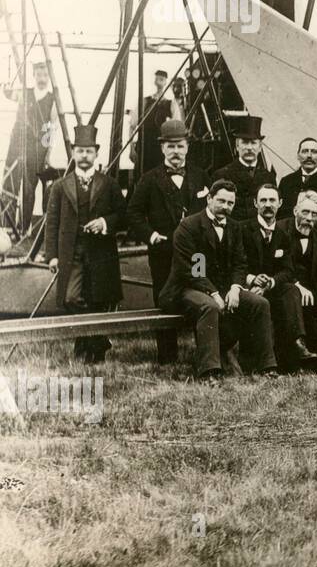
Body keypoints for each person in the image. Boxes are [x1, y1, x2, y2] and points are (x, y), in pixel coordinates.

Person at [159, 179, 278, 380]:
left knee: (260, 303)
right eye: (221, 201)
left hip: (222, 289)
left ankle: (267, 367)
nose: (225, 207)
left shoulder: (234, 227)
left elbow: (240, 263)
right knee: (209, 307)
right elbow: (193, 271)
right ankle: (209, 372)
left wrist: (235, 288)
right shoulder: (189, 226)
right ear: (209, 199)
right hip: (186, 289)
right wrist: (213, 293)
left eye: (230, 203)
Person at [126, 118, 210, 364]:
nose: (175, 151)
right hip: (163, 253)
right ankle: (167, 356)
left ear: (188, 147)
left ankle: (204, 355)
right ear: (162, 148)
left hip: (197, 254)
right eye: (170, 146)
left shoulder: (201, 176)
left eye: (180, 146)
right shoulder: (149, 179)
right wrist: (150, 234)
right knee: (165, 299)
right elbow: (132, 212)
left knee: (201, 293)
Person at [42, 124, 124, 362]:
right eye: (80, 151)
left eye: (89, 151)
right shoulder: (60, 186)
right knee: (71, 298)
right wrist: (52, 256)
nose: (84, 155)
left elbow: (124, 215)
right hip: (72, 251)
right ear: (73, 153)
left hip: (101, 252)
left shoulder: (109, 184)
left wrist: (105, 222)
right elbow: (52, 223)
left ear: (96, 153)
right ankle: (99, 340)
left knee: (98, 298)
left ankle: (90, 353)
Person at [237, 183, 317, 372]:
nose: (268, 205)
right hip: (246, 287)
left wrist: (271, 282)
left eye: (272, 200)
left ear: (280, 203)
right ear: (255, 203)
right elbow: (235, 264)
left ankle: (298, 344)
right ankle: (267, 363)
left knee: (291, 289)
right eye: (263, 200)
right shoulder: (242, 229)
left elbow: (288, 270)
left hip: (270, 288)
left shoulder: (283, 233)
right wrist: (251, 280)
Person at [3, 60, 56, 229]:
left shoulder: (52, 99)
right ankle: (6, 226)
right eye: (39, 75)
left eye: (45, 75)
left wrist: (46, 151)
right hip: (17, 142)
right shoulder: (24, 93)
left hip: (36, 147)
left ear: (49, 77)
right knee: (10, 182)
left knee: (29, 186)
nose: (42, 78)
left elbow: (51, 129)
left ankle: (25, 228)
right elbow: (7, 93)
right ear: (33, 75)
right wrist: (7, 80)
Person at [280, 190, 317, 357]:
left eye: (315, 214)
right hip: (286, 285)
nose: (309, 218)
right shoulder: (280, 229)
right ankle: (298, 342)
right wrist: (298, 285)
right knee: (294, 293)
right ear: (295, 211)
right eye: (305, 212)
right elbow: (277, 266)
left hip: (311, 287)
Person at [213, 115, 276, 222]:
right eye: (245, 142)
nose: (249, 148)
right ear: (237, 146)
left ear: (260, 147)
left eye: (253, 143)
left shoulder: (269, 177)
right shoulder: (222, 174)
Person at [277, 137, 317, 214]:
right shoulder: (286, 181)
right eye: (305, 151)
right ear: (298, 156)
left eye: (314, 152)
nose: (309, 156)